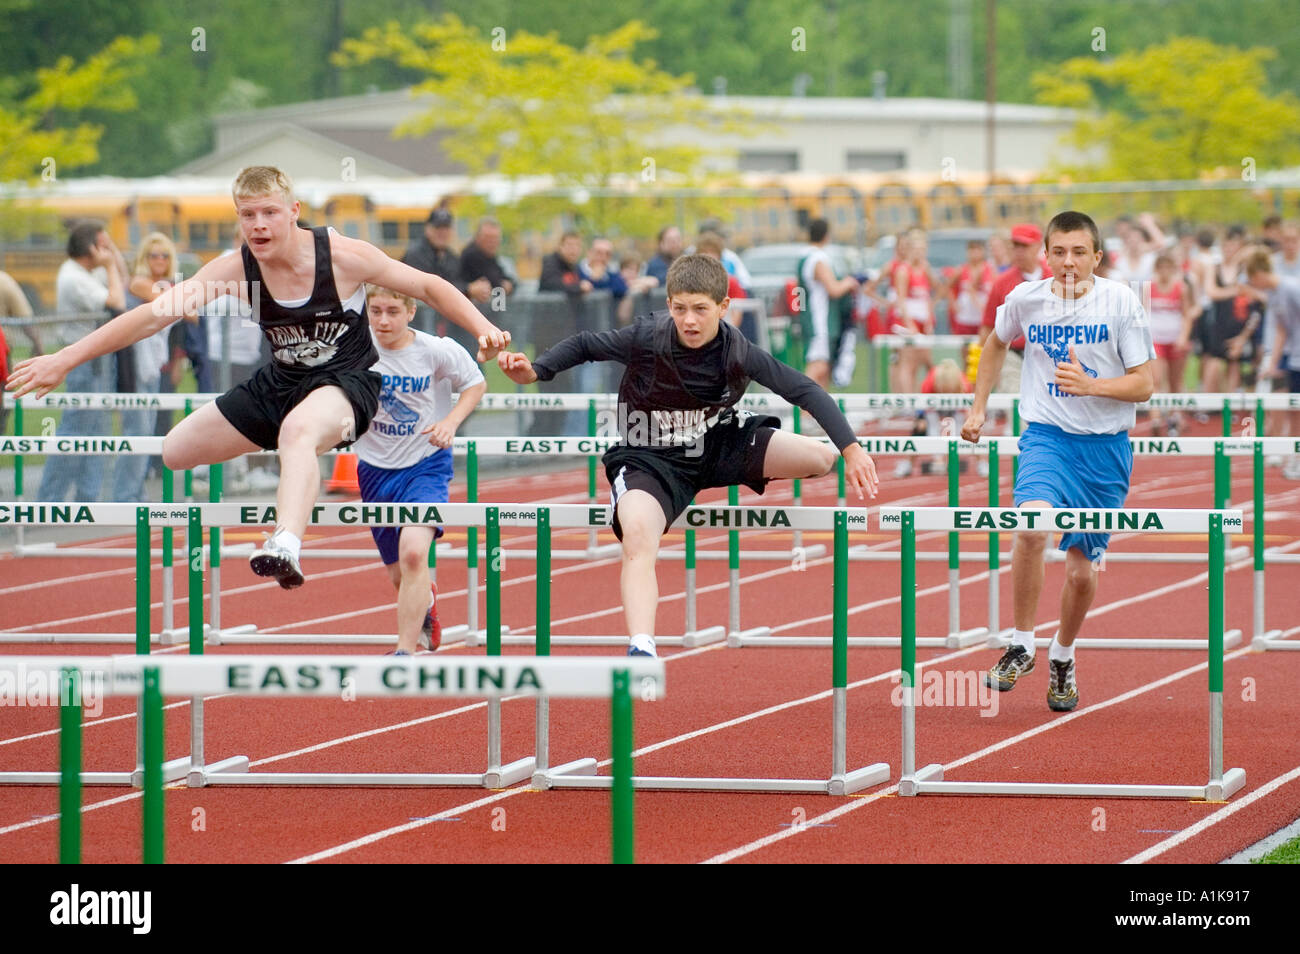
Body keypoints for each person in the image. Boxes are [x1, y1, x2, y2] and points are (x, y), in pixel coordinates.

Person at [8, 165, 509, 589]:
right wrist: (65, 357)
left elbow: (428, 284)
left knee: (298, 434)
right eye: (248, 215)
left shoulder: (341, 257)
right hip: (281, 383)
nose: (259, 225)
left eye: (270, 212)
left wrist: (485, 328)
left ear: (292, 212)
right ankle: (296, 455)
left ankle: (286, 540)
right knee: (175, 451)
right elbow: (154, 314)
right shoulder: (233, 269)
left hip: (348, 384)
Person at [496, 253, 879, 658]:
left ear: (723, 308)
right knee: (640, 537)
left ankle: (795, 445)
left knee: (819, 458)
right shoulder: (647, 338)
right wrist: (537, 371)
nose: (690, 321)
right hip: (651, 456)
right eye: (680, 309)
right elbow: (588, 344)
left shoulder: (738, 351)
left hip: (716, 442)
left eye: (700, 309)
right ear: (669, 306)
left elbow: (803, 389)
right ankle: (641, 646)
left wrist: (850, 448)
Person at [963, 211, 1155, 712]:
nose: (1067, 263)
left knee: (1081, 574)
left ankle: (1062, 654)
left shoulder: (1121, 302)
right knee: (1030, 525)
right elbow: (995, 341)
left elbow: (1145, 383)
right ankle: (1022, 641)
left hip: (1105, 449)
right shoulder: (1026, 299)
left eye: (1078, 253)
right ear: (1046, 255)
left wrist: (1094, 386)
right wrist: (979, 407)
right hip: (1047, 437)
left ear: (1096, 256)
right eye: (1058, 252)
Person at [352, 285, 486, 653]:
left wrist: (451, 422)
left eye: (392, 311)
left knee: (414, 553)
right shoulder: (356, 350)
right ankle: (425, 605)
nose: (382, 320)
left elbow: (475, 383)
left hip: (426, 464)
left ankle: (403, 651)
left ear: (411, 312)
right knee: (399, 573)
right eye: (375, 311)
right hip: (375, 469)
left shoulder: (435, 350)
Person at [37, 220, 129, 503]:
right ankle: (48, 502)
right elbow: (118, 303)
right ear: (89, 246)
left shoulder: (88, 272)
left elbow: (122, 283)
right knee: (75, 431)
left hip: (96, 360)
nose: (106, 250)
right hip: (82, 362)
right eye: (101, 244)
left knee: (97, 431)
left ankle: (87, 499)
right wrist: (110, 265)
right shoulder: (74, 277)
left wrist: (111, 253)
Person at [111, 233, 181, 501]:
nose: (160, 260)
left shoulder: (165, 284)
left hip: (154, 366)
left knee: (148, 431)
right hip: (134, 367)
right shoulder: (140, 283)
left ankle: (134, 492)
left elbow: (191, 313)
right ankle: (125, 495)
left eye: (165, 255)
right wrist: (176, 295)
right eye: (154, 255)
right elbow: (180, 306)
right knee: (136, 432)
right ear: (144, 259)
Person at [1244, 250, 1300, 480]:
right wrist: (1273, 363)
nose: (1252, 285)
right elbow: (1280, 330)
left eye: (1252, 280)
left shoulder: (1291, 288)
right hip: (1294, 358)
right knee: (1295, 411)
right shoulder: (1274, 295)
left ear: (1259, 274)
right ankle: (1295, 458)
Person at [977, 223, 1051, 394]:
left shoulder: (1055, 277)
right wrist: (988, 364)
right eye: (1015, 245)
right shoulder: (1003, 282)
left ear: (1039, 246)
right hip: (1013, 354)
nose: (1019, 251)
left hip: (1049, 354)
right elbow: (988, 326)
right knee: (1015, 399)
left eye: (1024, 246)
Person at [797, 218, 859, 390]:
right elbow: (834, 289)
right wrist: (849, 282)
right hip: (819, 320)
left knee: (824, 370)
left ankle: (815, 413)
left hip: (814, 317)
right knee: (818, 366)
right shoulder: (817, 259)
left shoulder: (805, 256)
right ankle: (799, 411)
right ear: (826, 235)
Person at [1147, 252, 1197, 435]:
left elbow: (1187, 315)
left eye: (1169, 268)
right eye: (1162, 268)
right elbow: (1142, 315)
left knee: (1175, 381)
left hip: (1175, 340)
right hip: (1156, 339)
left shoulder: (1180, 288)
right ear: (1157, 269)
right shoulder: (1149, 288)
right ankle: (1155, 418)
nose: (1165, 272)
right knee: (1156, 380)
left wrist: (1183, 337)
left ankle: (1175, 417)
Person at [0, 270, 36, 436]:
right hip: (2, 352)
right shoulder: (4, 281)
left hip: (3, 350)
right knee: (3, 409)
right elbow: (25, 316)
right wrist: (37, 344)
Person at [458, 217, 515, 306]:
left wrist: (508, 284)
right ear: (477, 237)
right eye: (488, 238)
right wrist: (504, 285)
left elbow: (505, 278)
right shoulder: (472, 254)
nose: (492, 242)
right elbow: (495, 283)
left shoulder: (489, 256)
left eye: (495, 238)